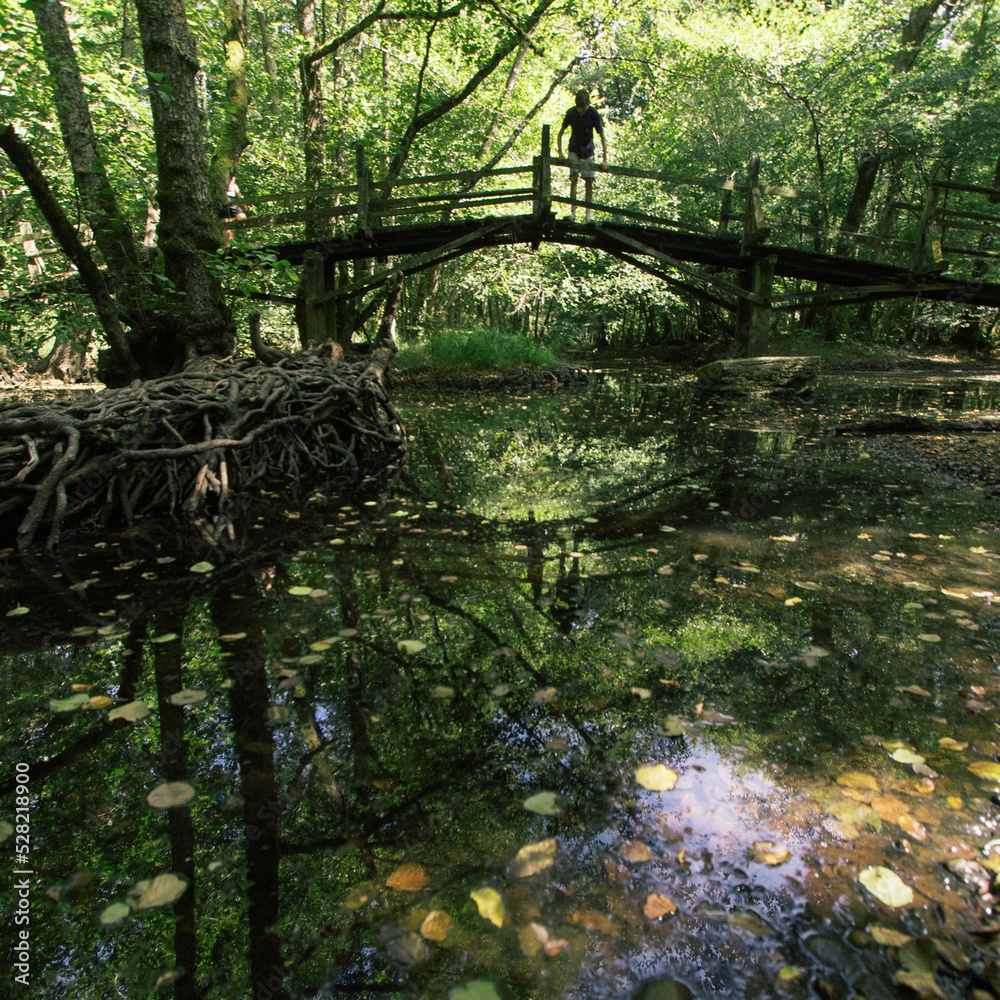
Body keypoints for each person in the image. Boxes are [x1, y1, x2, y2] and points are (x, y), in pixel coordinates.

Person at [557, 89, 607, 223]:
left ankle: (588, 215)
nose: (580, 110)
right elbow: (560, 133)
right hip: (574, 149)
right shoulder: (571, 113)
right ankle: (572, 214)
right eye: (579, 107)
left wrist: (604, 159)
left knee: (589, 181)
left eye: (583, 107)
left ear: (588, 104)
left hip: (588, 151)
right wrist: (560, 153)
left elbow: (602, 136)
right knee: (573, 179)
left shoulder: (593, 114)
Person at [219, 174, 246, 246]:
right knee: (226, 224)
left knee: (242, 218)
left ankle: (230, 241)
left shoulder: (231, 172)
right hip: (224, 197)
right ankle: (227, 246)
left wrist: (242, 201)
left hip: (233, 200)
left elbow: (235, 186)